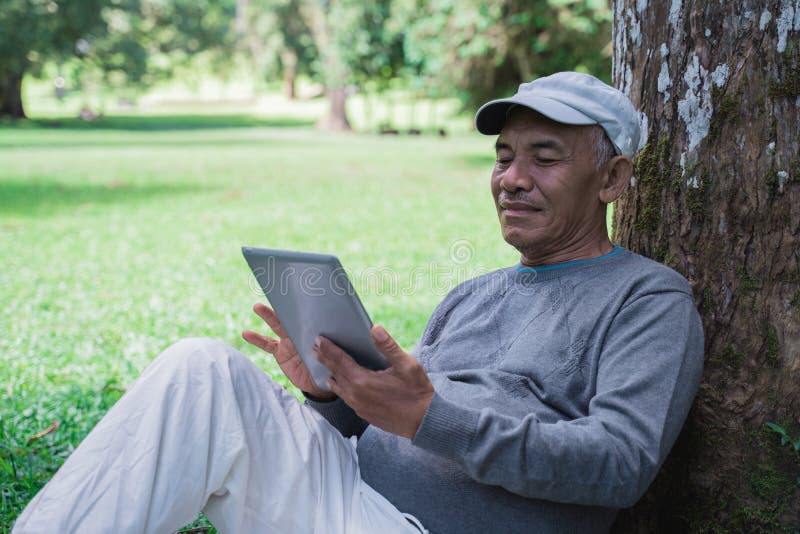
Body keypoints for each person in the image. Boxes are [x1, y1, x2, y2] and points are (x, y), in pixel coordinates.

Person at [13, 72, 704, 534]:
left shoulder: (648, 300)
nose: (512, 180)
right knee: (201, 368)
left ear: (611, 177)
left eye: (544, 158)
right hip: (343, 493)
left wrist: (432, 417)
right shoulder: (477, 292)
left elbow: (618, 466)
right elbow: (386, 426)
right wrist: (333, 395)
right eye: (502, 157)